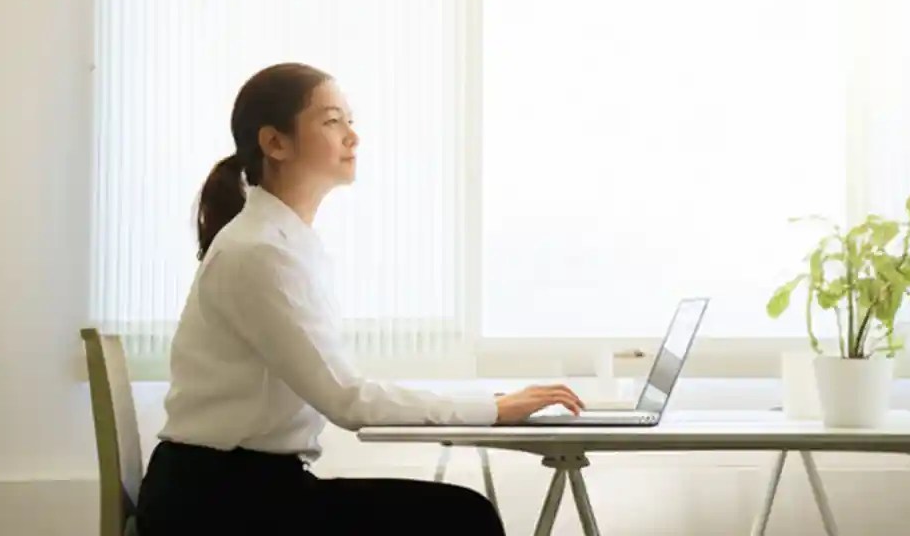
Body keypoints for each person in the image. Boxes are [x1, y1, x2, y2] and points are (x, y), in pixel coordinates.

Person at [136, 63, 584, 535]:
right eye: (332, 121)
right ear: (275, 143)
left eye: (350, 120)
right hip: (217, 503)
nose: (353, 137)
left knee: (458, 513)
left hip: (241, 488)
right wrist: (493, 407)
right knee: (460, 517)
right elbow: (349, 400)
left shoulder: (283, 243)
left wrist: (489, 404)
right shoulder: (258, 251)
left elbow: (345, 391)